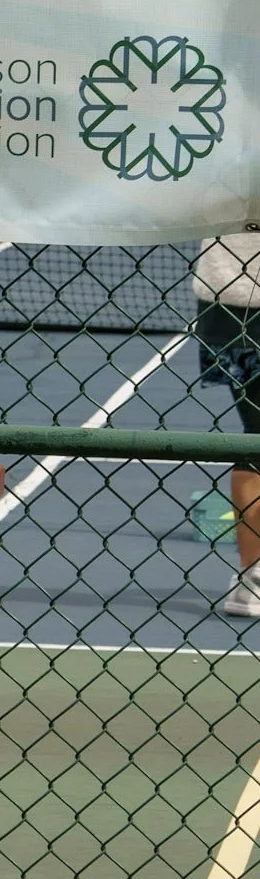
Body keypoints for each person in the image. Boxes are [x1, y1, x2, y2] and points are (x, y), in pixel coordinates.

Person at [193, 235, 260, 616]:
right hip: (236, 294)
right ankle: (253, 578)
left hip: (227, 298)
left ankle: (252, 579)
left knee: (257, 436)